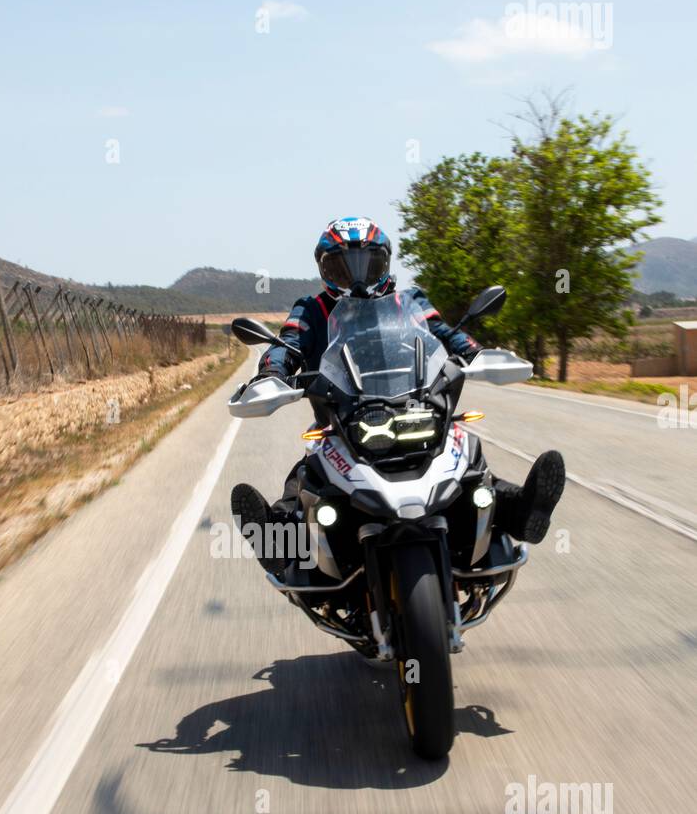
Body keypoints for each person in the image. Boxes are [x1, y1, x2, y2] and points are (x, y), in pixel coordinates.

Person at [231, 216, 565, 569]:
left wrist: (476, 353)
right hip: (343, 423)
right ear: (325, 269)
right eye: (343, 268)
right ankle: (277, 542)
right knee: (306, 479)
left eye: (367, 264)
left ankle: (524, 510)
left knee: (468, 466)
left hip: (418, 409)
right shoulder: (311, 309)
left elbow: (447, 335)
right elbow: (289, 344)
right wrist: (271, 373)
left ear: (385, 263)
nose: (357, 278)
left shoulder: (410, 302)